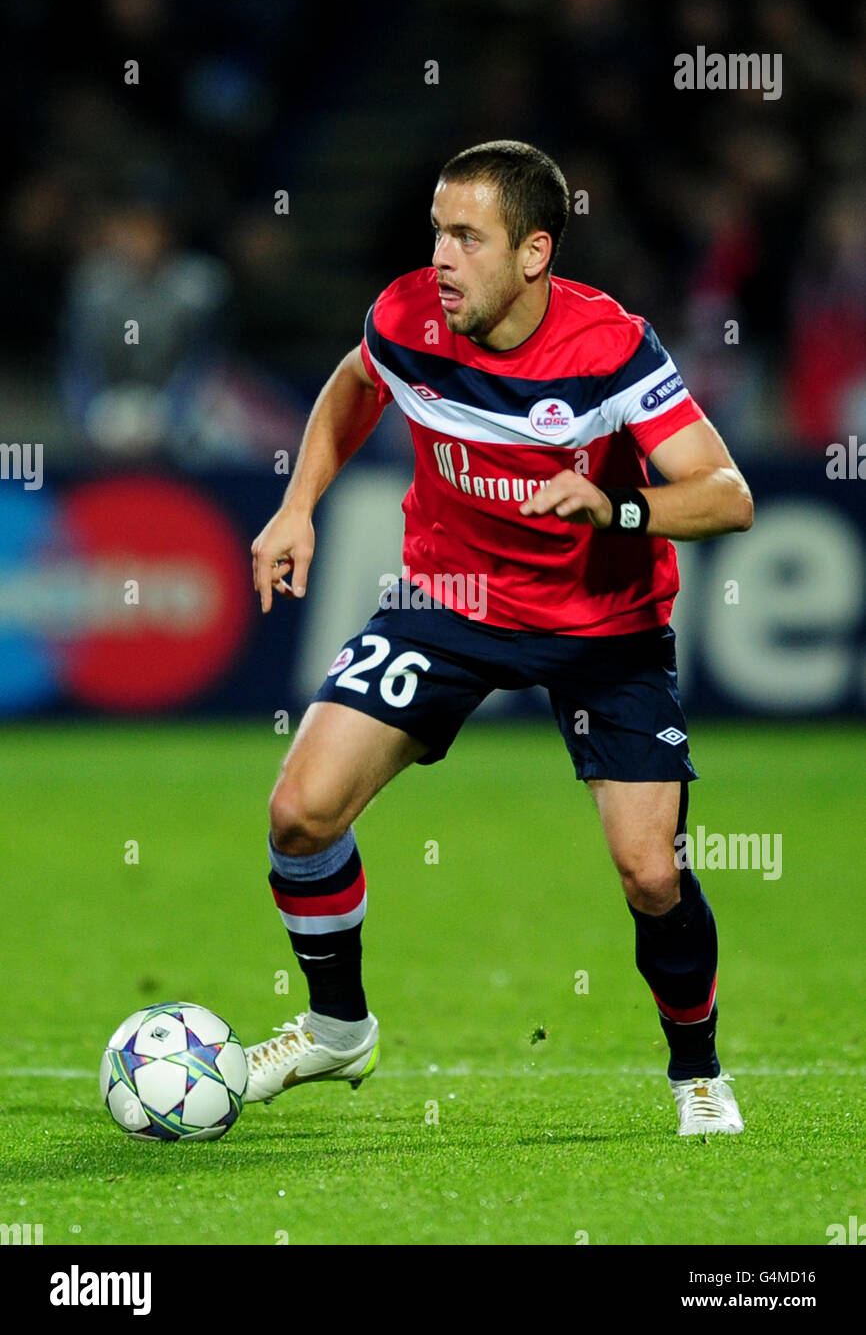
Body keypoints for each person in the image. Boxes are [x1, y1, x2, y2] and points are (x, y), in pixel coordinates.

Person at [246, 140, 753, 1136]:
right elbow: (355, 384)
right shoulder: (406, 316)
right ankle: (337, 1025)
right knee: (299, 814)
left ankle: (694, 1069)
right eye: (435, 230)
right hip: (450, 602)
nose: (439, 256)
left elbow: (726, 495)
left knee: (650, 873)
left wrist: (617, 507)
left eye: (464, 236)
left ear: (532, 252)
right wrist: (298, 504)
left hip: (602, 628)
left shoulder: (609, 347)